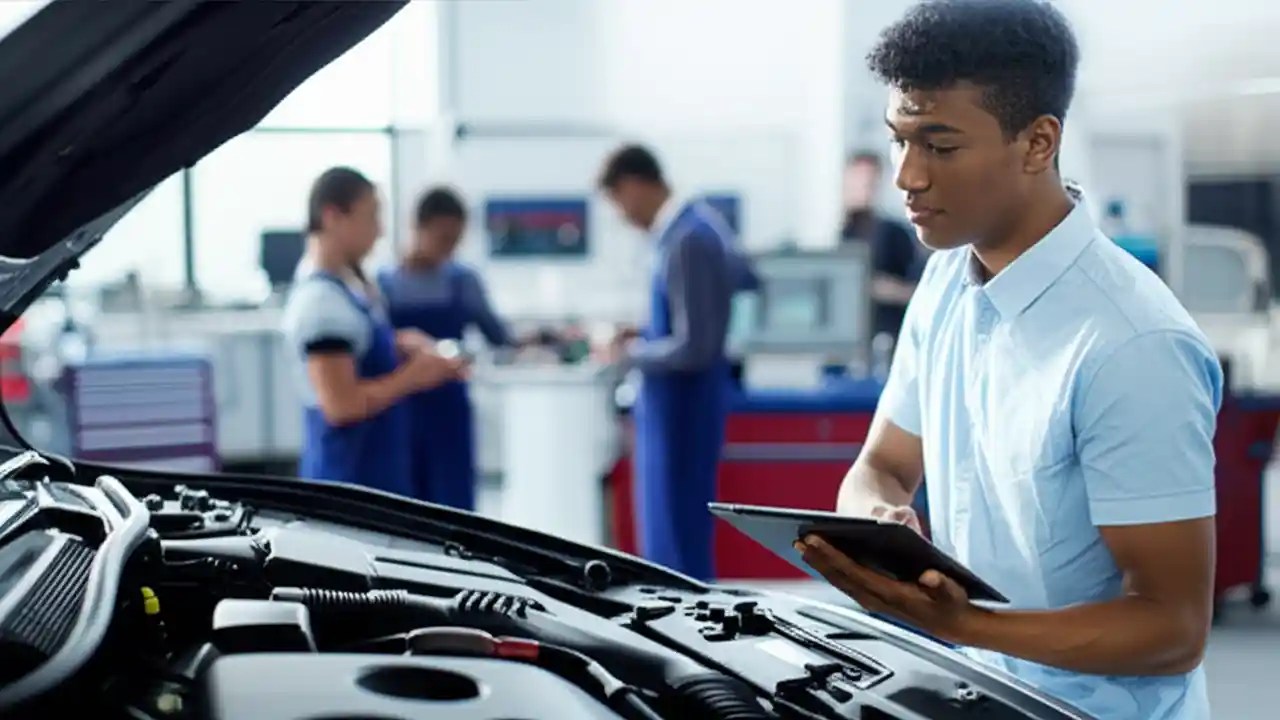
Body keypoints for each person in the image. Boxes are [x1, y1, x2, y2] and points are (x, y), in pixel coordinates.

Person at [797, 3, 1220, 719]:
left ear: (1036, 143)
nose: (908, 177)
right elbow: (882, 466)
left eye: (940, 145)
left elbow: (1172, 628)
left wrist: (964, 625)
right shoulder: (944, 282)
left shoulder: (1133, 345)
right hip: (979, 691)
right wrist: (876, 521)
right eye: (901, 140)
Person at [598, 145, 754, 580]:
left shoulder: (688, 239)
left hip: (680, 416)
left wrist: (628, 354)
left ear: (633, 186)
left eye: (618, 203)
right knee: (671, 541)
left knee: (678, 551)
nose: (622, 216)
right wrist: (642, 335)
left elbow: (694, 347)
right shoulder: (687, 233)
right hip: (673, 413)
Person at [282, 167, 465, 497]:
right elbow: (341, 405)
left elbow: (357, 351)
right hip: (348, 486)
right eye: (371, 217)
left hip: (378, 479)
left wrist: (401, 344)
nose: (379, 231)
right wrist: (413, 376)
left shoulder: (351, 288)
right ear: (333, 216)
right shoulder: (322, 303)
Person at [376, 186, 514, 511]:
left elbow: (498, 336)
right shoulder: (383, 283)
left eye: (455, 241)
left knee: (453, 508)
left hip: (449, 412)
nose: (449, 250)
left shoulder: (463, 280)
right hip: (400, 408)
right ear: (417, 228)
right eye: (443, 239)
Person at [839, 151, 925, 342]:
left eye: (869, 182)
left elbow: (919, 292)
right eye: (858, 181)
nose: (863, 188)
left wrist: (881, 288)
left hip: (888, 334)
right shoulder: (843, 234)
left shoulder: (894, 234)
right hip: (850, 336)